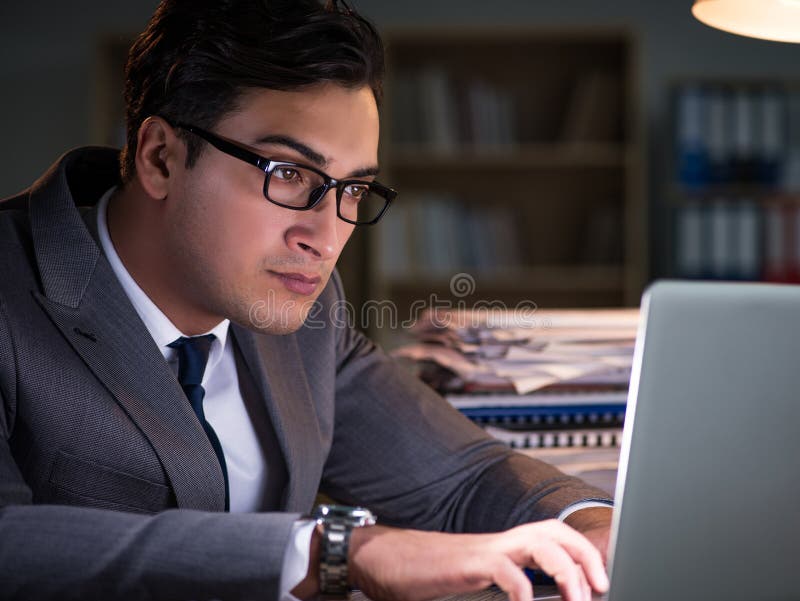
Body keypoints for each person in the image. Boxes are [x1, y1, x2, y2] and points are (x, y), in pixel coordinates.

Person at [0, 1, 614, 600]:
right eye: (289, 173)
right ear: (161, 157)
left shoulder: (305, 309)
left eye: (354, 189)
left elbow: (460, 477)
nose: (325, 238)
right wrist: (339, 552)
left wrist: (590, 527)